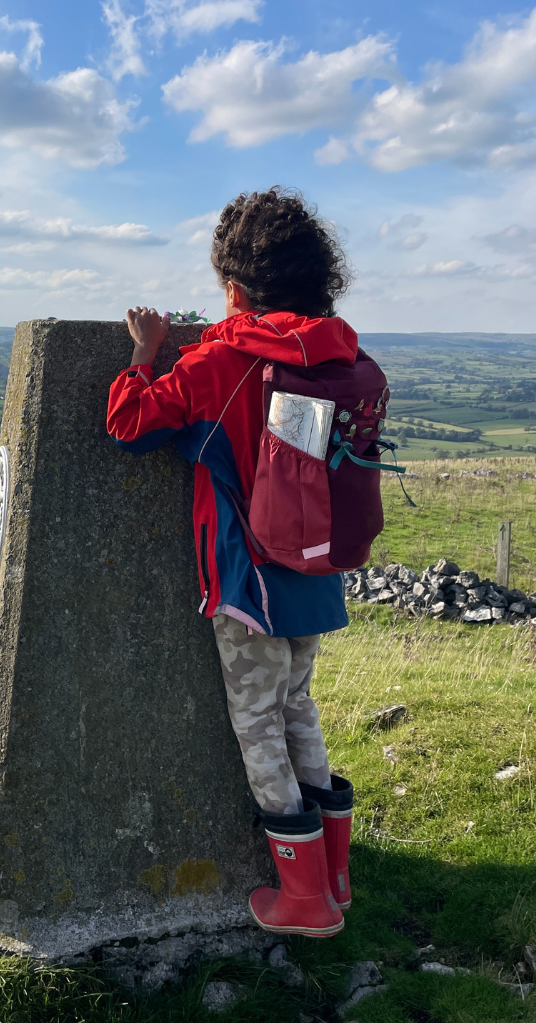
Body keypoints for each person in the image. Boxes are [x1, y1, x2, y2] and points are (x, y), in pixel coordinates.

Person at [106, 187, 357, 937]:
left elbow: (129, 424)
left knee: (256, 723)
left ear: (235, 289)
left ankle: (305, 901)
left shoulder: (222, 361)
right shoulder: (338, 350)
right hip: (313, 570)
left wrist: (148, 353)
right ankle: (337, 875)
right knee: (297, 707)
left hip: (247, 579)